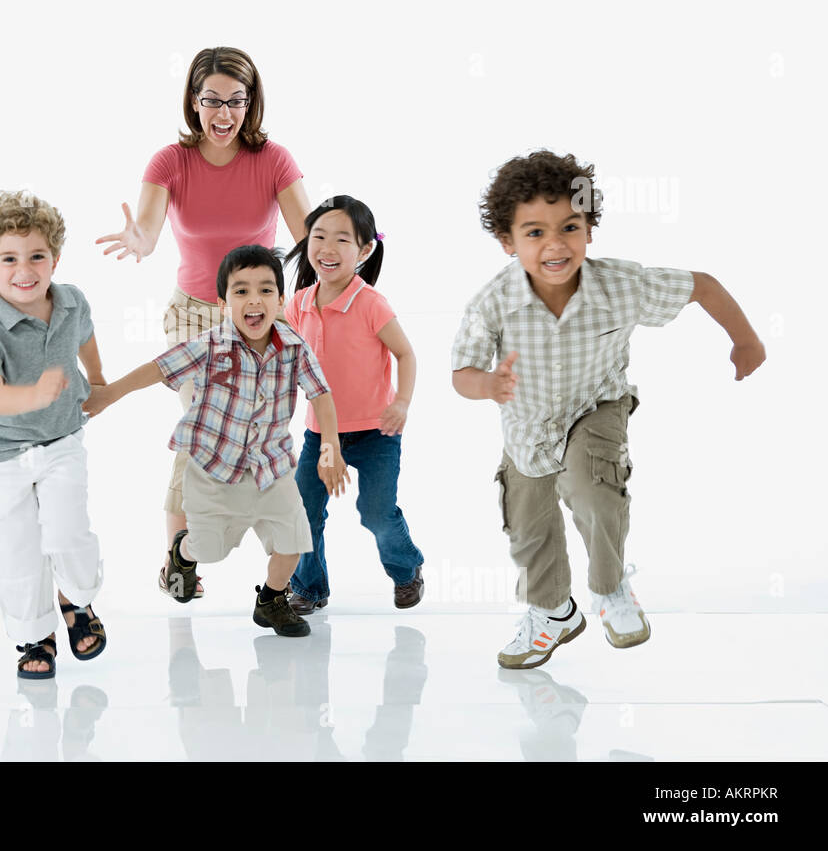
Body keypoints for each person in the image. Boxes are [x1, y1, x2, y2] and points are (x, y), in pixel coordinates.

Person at [450, 150, 766, 668]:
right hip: (527, 428)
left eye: (569, 227)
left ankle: (610, 586)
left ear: (590, 229)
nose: (555, 244)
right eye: (533, 233)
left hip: (598, 404)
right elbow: (460, 375)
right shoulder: (492, 303)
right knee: (529, 532)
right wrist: (487, 384)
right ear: (507, 242)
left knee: (592, 490)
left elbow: (702, 286)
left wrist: (745, 340)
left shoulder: (621, 285)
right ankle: (553, 613)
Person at [96, 46, 311, 599]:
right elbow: (146, 228)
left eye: (235, 101)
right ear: (193, 102)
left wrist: (346, 246)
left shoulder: (274, 160)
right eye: (211, 100)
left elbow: (308, 235)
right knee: (206, 417)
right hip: (194, 316)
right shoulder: (170, 161)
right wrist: (137, 240)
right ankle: (180, 557)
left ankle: (285, 560)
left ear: (250, 103)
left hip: (260, 313)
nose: (223, 113)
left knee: (261, 430)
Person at [86, 245, 346, 638]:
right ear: (223, 303)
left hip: (271, 468)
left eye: (265, 290)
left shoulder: (294, 347)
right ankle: (182, 555)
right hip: (213, 473)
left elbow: (321, 395)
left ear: (280, 300)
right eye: (241, 291)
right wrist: (110, 393)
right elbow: (157, 368)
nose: (254, 300)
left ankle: (272, 600)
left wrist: (330, 448)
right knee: (212, 551)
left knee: (294, 540)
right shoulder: (210, 345)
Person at [0, 190, 107, 679]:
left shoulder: (71, 301)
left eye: (36, 256)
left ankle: (76, 598)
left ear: (55, 259)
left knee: (68, 530)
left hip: (63, 439)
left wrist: (99, 379)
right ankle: (36, 634)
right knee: (16, 552)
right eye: (9, 259)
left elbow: (84, 336)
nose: (24, 269)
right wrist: (37, 394)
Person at [282, 195, 426, 614]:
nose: (327, 248)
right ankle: (309, 588)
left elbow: (407, 354)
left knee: (375, 512)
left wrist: (401, 402)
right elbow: (285, 360)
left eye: (341, 240)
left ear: (364, 251)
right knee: (304, 512)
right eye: (319, 236)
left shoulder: (370, 303)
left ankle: (407, 569)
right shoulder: (299, 304)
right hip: (319, 433)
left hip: (376, 432)